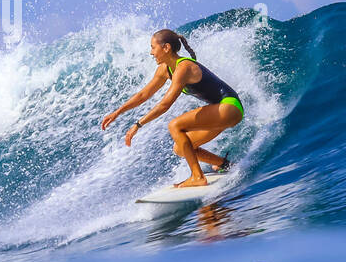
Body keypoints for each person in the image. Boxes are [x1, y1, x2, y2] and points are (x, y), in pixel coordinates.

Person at [101, 28, 244, 188]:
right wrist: (117, 112)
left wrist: (138, 124)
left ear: (166, 48)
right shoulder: (165, 69)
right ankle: (224, 164)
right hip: (221, 111)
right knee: (181, 148)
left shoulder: (183, 67)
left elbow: (165, 104)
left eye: (153, 47)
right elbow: (143, 95)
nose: (151, 52)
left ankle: (197, 177)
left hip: (229, 106)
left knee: (175, 125)